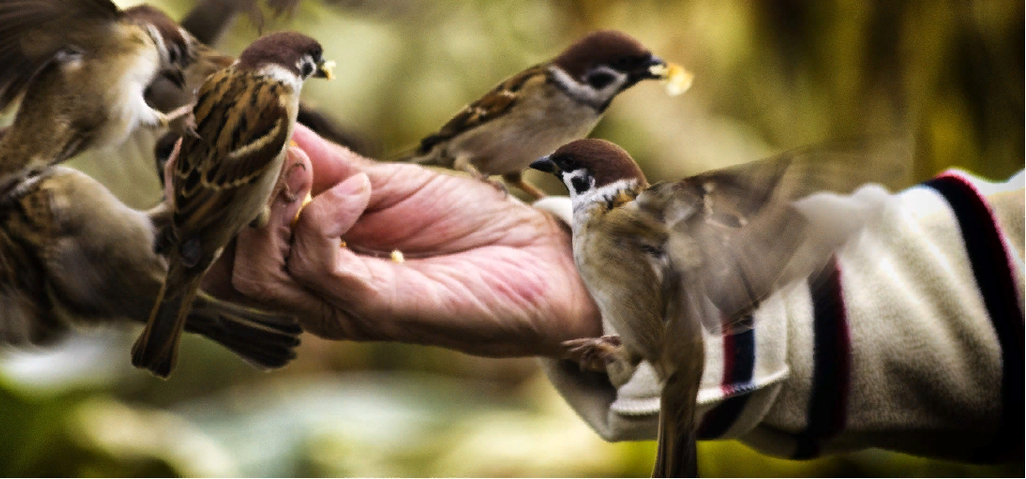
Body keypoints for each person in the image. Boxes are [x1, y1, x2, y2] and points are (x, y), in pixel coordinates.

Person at [213, 125, 1024, 465]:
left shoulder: (646, 215)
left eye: (566, 177)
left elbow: (749, 222)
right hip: (674, 345)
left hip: (680, 349)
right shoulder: (605, 228)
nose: (553, 182)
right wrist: (580, 297)